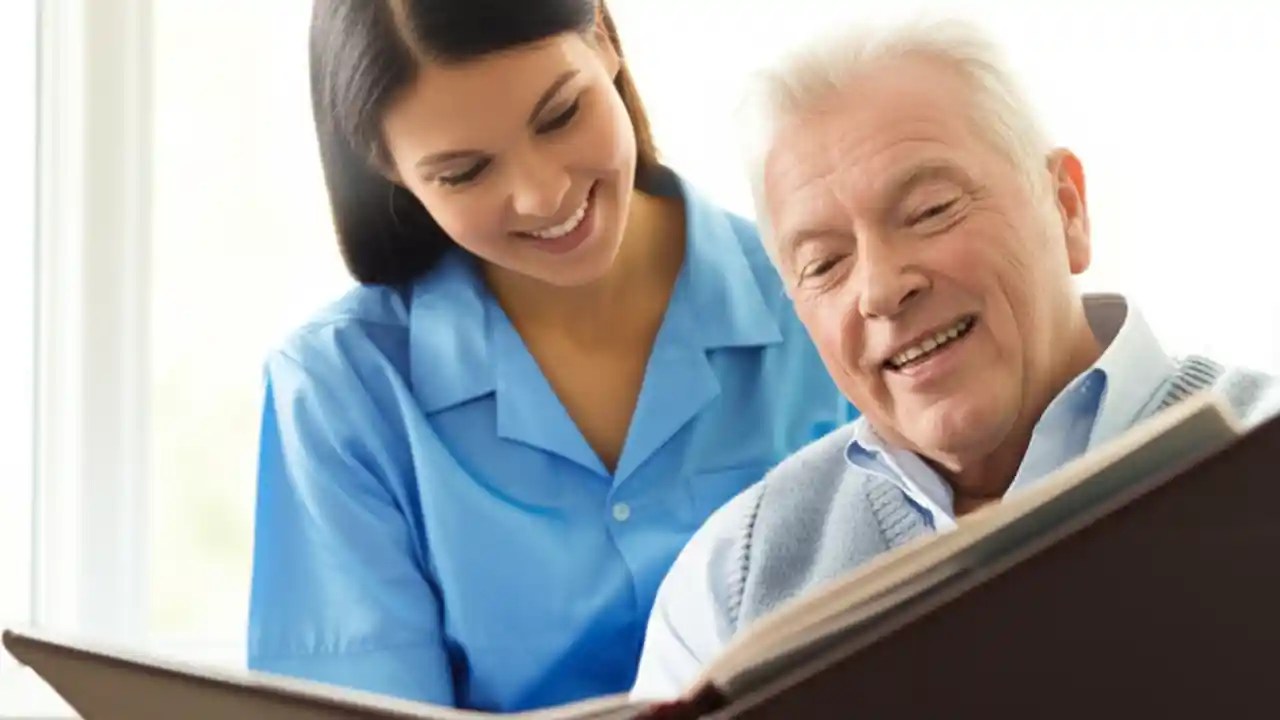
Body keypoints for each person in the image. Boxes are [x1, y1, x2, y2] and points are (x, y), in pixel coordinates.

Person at [630, 18, 1276, 700]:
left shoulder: (1263, 444)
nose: (880, 289)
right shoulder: (728, 585)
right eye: (824, 264)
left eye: (930, 210)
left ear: (1068, 209)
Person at [247, 0, 851, 712]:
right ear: (387, 167)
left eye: (560, 115)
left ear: (601, 36)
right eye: (465, 172)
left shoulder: (829, 297)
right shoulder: (337, 395)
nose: (543, 194)